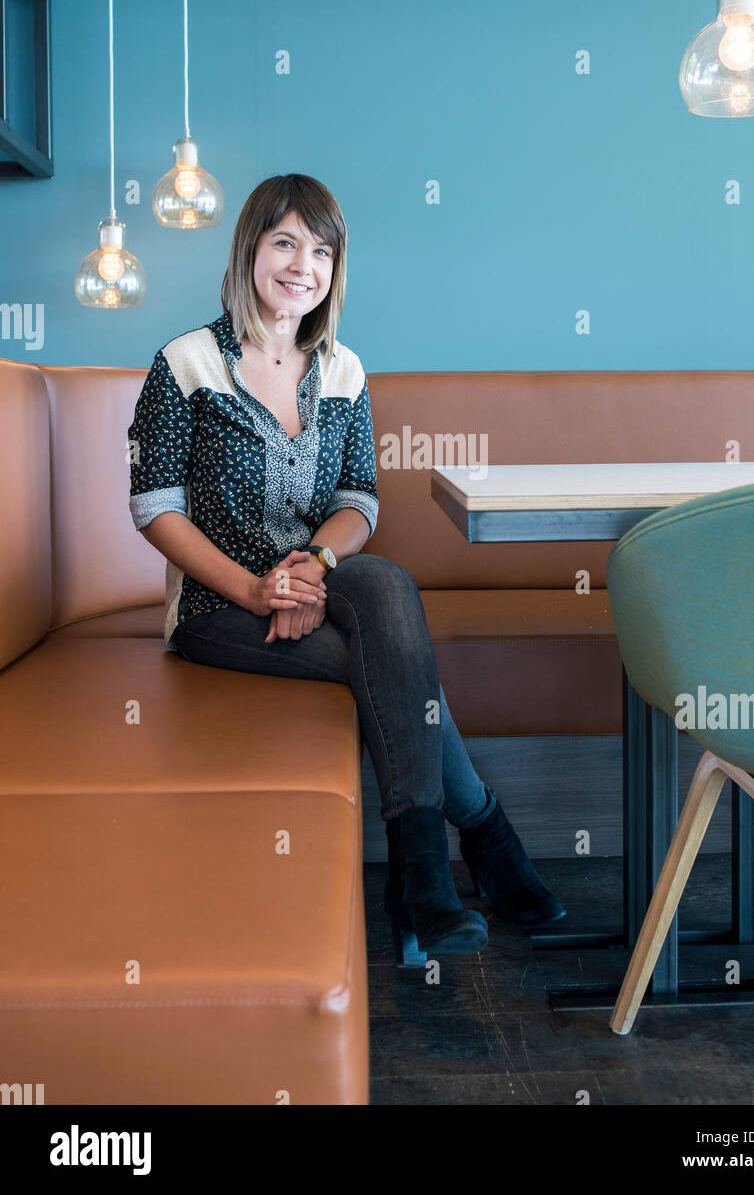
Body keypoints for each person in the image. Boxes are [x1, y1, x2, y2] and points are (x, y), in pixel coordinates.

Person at [127, 172, 564, 963]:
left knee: (386, 581)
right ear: (250, 249)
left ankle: (422, 876)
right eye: (286, 242)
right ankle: (472, 848)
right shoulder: (185, 363)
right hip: (217, 606)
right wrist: (258, 588)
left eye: (321, 250)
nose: (303, 265)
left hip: (320, 580)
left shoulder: (343, 370)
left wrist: (316, 563)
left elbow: (360, 500)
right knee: (391, 672)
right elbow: (154, 508)